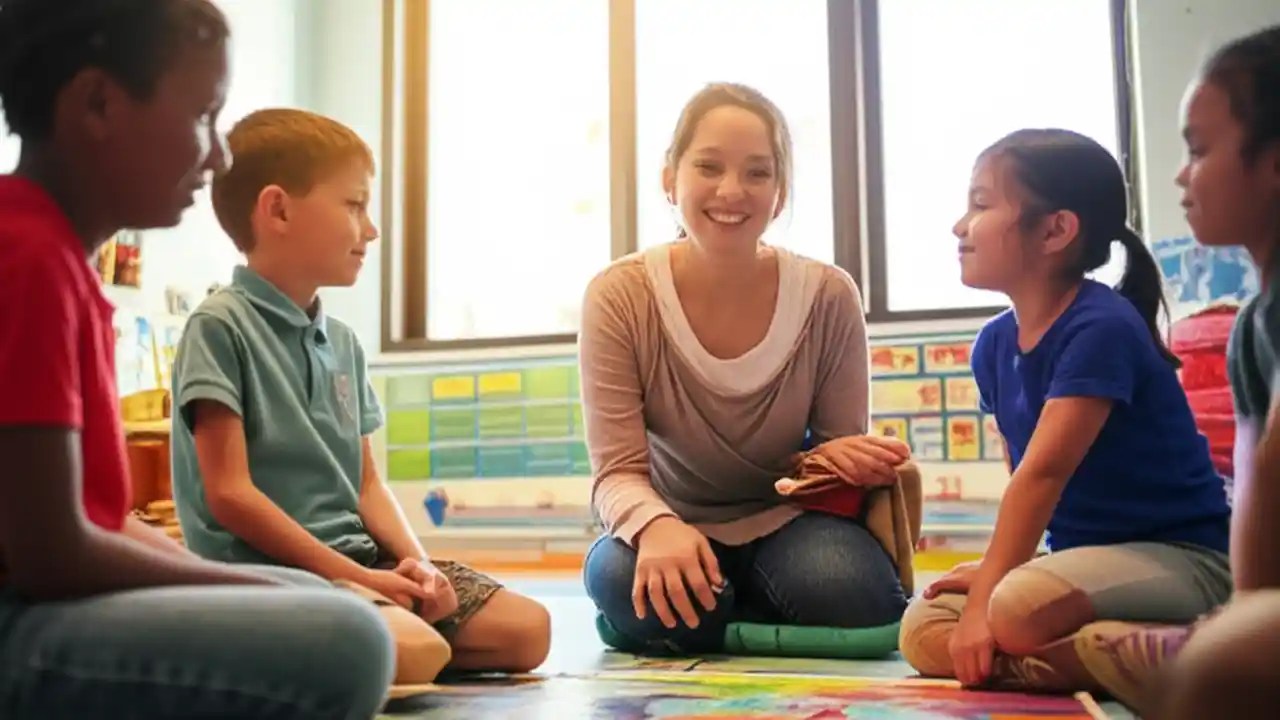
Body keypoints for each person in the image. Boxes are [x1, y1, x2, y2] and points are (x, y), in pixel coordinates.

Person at [0, 2, 394, 718]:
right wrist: (247, 589)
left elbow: (105, 518)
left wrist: (256, 587)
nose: (216, 157)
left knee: (315, 601)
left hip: (39, 598)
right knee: (350, 640)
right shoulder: (24, 255)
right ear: (98, 103)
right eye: (204, 118)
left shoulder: (60, 262)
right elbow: (48, 552)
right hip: (17, 623)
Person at [168, 107, 551, 675]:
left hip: (359, 561)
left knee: (528, 633)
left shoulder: (342, 342)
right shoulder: (219, 325)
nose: (370, 229)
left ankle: (362, 638)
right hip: (268, 571)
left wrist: (419, 567)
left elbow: (367, 482)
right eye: (354, 205)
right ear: (278, 209)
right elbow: (230, 494)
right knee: (417, 650)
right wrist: (351, 577)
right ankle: (312, 640)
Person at [579, 82, 912, 655]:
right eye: (708, 166)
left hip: (790, 521)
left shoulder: (829, 295)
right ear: (669, 179)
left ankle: (735, 598)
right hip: (666, 521)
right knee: (619, 581)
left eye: (758, 173)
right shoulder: (619, 296)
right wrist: (657, 529)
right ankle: (737, 599)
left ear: (779, 193)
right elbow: (616, 473)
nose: (731, 191)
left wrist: (835, 458)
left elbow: (830, 469)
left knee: (861, 599)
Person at [897, 127, 1233, 694]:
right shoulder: (994, 346)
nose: (960, 226)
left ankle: (1179, 649)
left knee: (1012, 611)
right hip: (1082, 564)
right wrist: (995, 575)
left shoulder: (1100, 326)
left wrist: (993, 596)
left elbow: (1041, 477)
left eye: (980, 205)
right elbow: (1023, 480)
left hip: (1185, 560)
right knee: (923, 627)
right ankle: (1116, 656)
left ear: (1056, 229)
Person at [1094, 25, 1280, 718]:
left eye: (1199, 150)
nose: (1180, 173)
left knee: (1221, 663)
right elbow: (1259, 541)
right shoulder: (1252, 329)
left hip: (1181, 560)